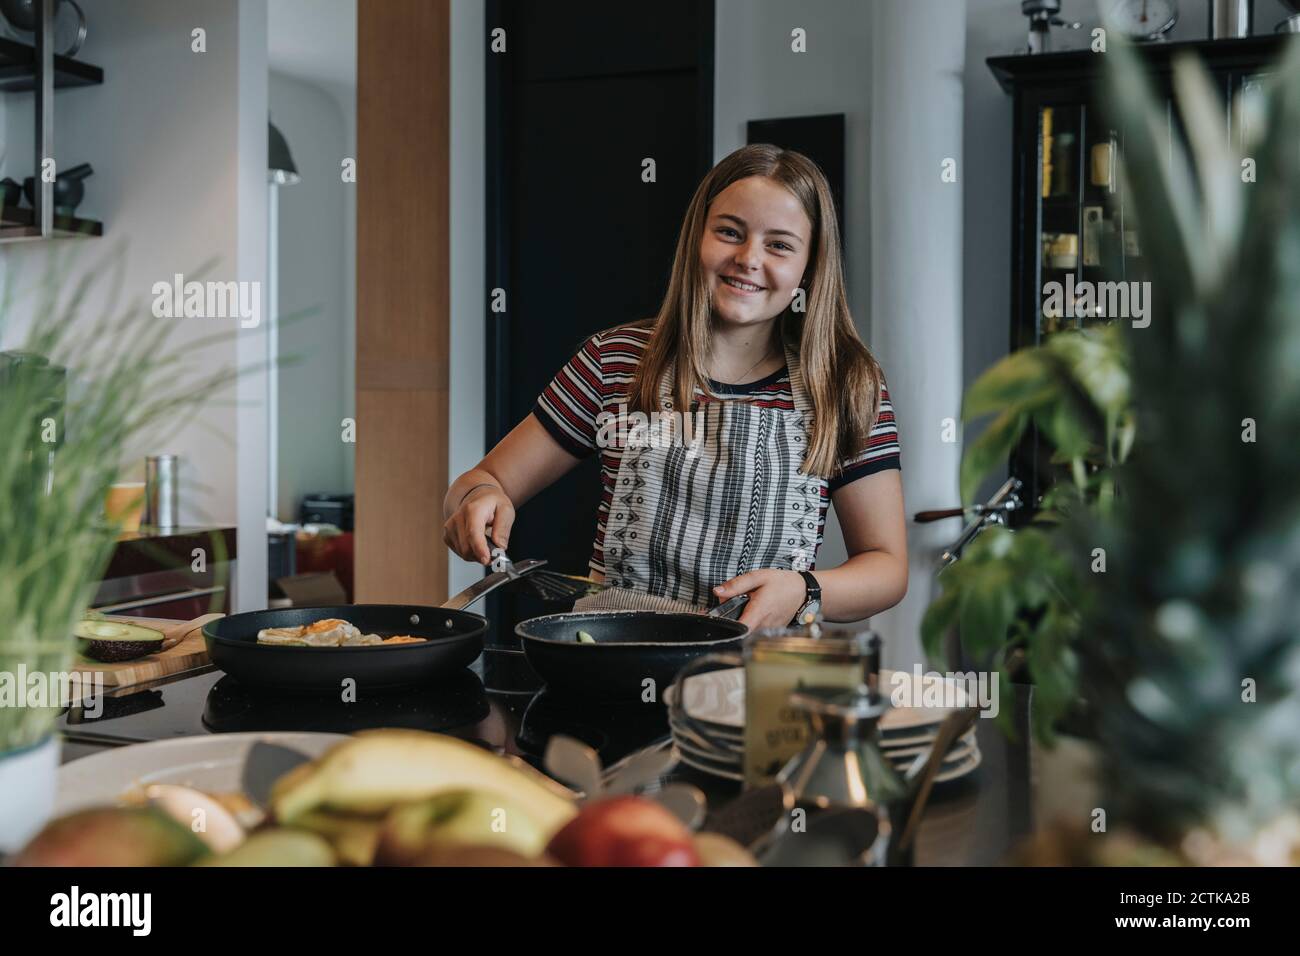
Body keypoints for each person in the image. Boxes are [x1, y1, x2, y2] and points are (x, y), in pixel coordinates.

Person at [444, 143, 907, 629]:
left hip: (757, 676)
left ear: (809, 267)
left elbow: (886, 566)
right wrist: (477, 500)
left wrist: (804, 589)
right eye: (729, 232)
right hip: (610, 660)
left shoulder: (844, 383)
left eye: (779, 244)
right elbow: (480, 482)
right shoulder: (614, 359)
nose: (749, 258)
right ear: (697, 239)